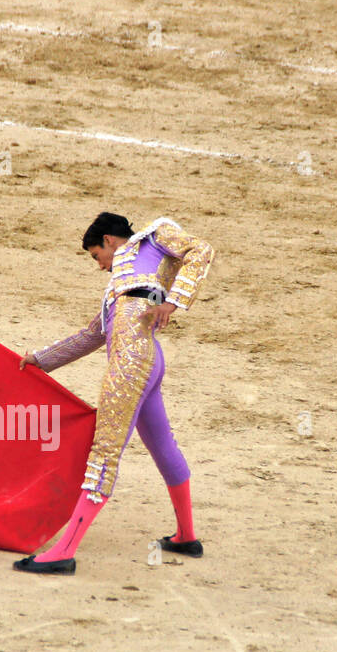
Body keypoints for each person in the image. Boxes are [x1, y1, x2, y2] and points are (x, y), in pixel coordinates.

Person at [14, 211, 213, 574]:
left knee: (105, 450)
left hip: (132, 359)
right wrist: (39, 359)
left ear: (108, 240)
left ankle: (63, 552)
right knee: (163, 446)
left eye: (95, 256)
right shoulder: (116, 292)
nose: (99, 266)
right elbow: (91, 336)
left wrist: (175, 301)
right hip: (145, 359)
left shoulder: (155, 236)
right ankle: (186, 536)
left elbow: (201, 250)